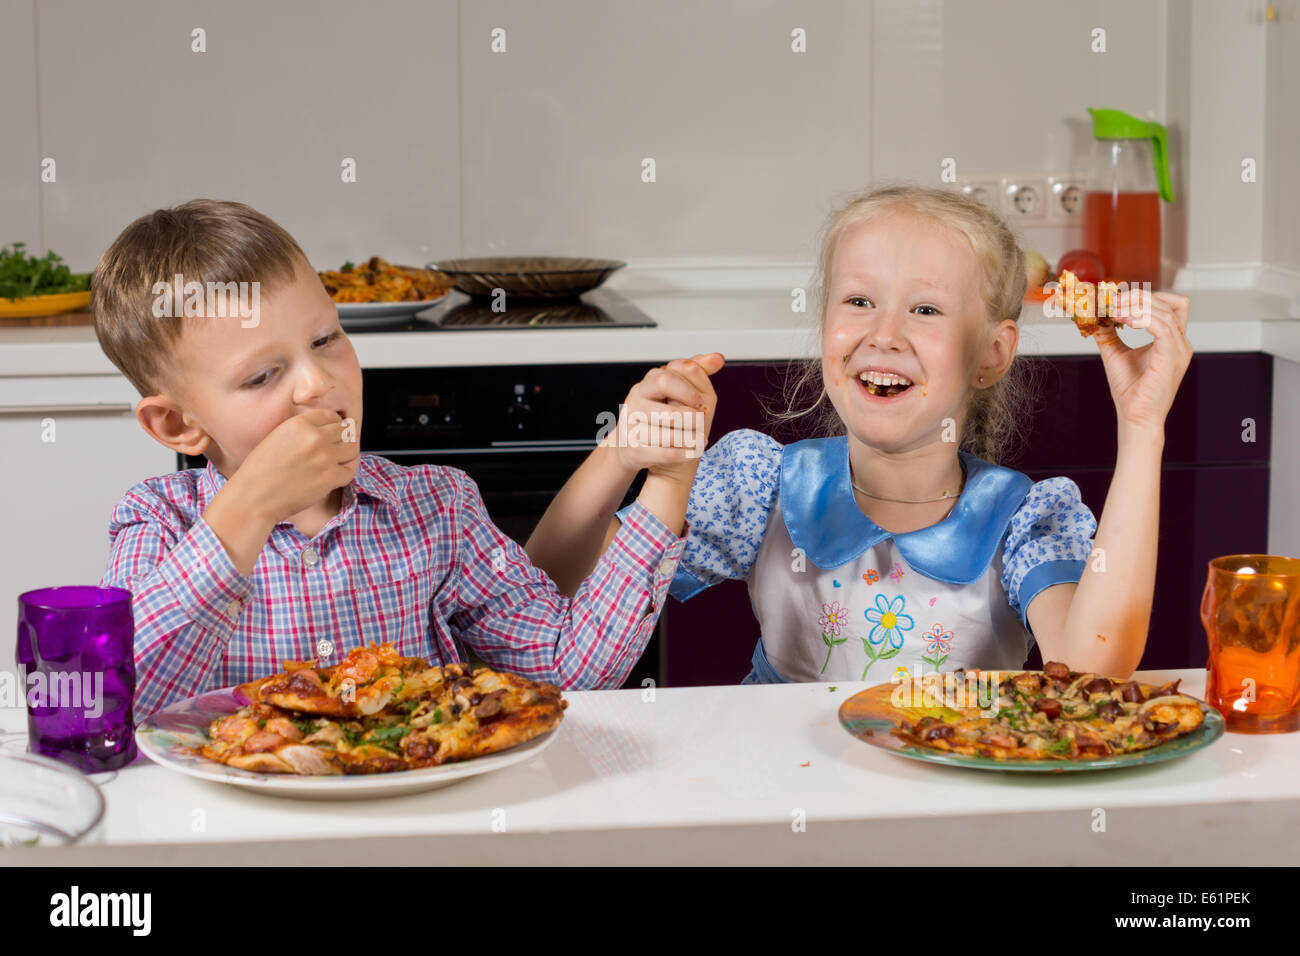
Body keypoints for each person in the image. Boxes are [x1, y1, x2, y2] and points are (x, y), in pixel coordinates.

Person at [526, 184, 1192, 683]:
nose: (884, 335)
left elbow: (1093, 673)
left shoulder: (1023, 521)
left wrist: (1141, 432)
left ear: (991, 352)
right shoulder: (761, 487)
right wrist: (621, 452)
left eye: (925, 309)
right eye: (858, 301)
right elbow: (550, 584)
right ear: (824, 328)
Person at [91, 199, 715, 718]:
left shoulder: (436, 507)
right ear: (177, 424)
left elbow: (563, 669)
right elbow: (116, 703)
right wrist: (248, 508)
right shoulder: (156, 523)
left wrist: (664, 481)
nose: (317, 382)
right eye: (261, 376)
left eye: (325, 339)